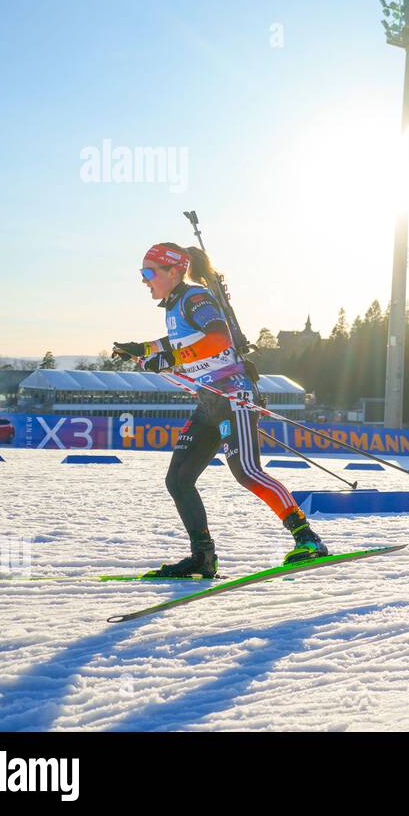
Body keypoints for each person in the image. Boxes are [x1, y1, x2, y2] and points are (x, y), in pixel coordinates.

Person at [112, 243, 328, 578]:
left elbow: (218, 339)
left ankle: (307, 539)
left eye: (149, 272)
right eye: (142, 273)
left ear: (173, 271)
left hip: (233, 397)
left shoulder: (195, 299)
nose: (144, 280)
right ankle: (203, 558)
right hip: (208, 403)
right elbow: (176, 345)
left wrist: (169, 358)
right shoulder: (173, 306)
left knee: (246, 472)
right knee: (178, 479)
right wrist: (140, 348)